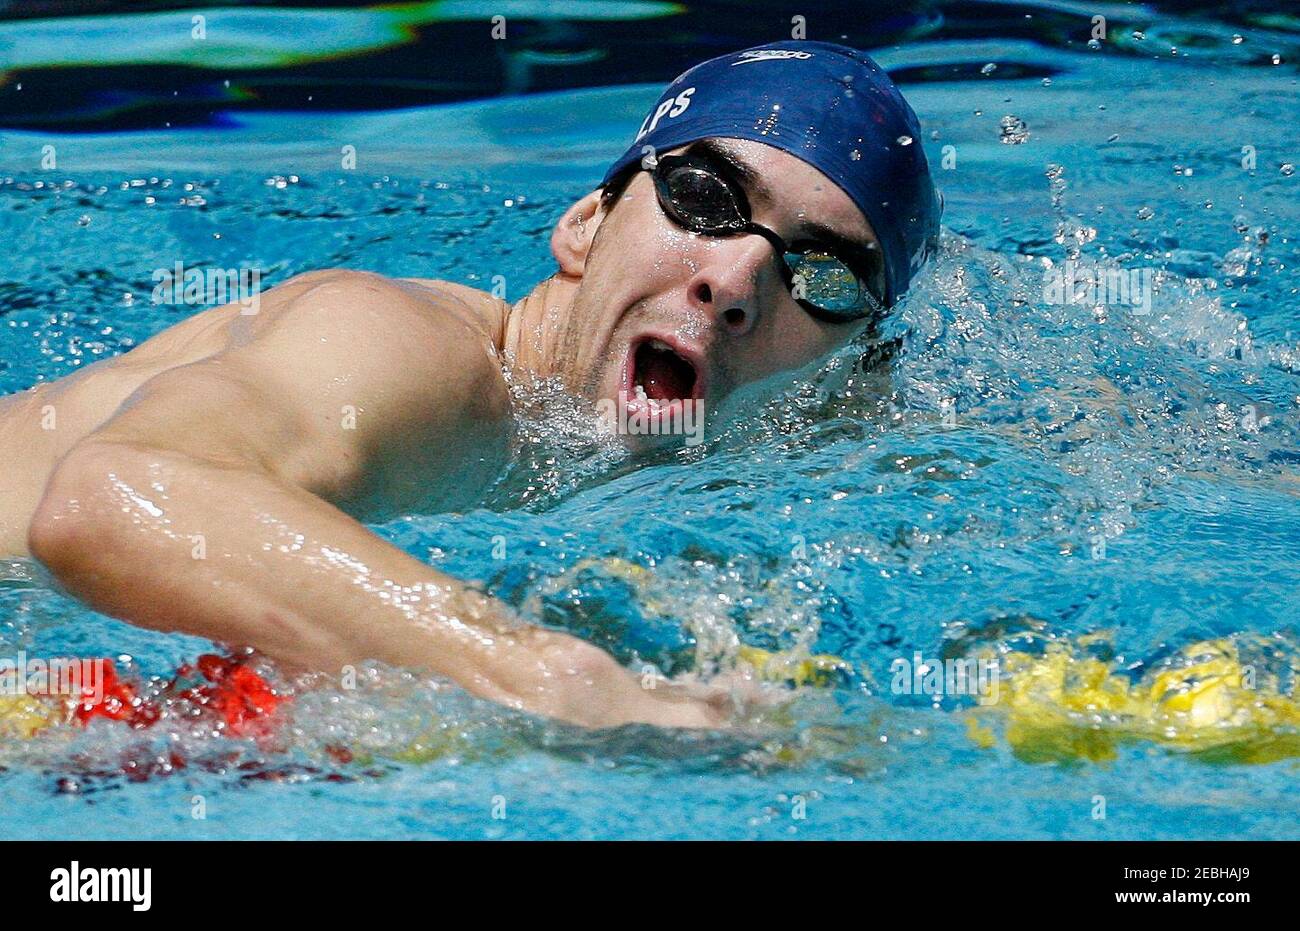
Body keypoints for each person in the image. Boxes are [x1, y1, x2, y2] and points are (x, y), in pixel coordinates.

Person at [0, 40, 940, 730]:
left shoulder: (779, 441)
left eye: (822, 275)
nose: (734, 284)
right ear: (584, 225)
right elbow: (112, 497)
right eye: (704, 199)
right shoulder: (410, 353)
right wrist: (546, 678)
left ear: (845, 377)